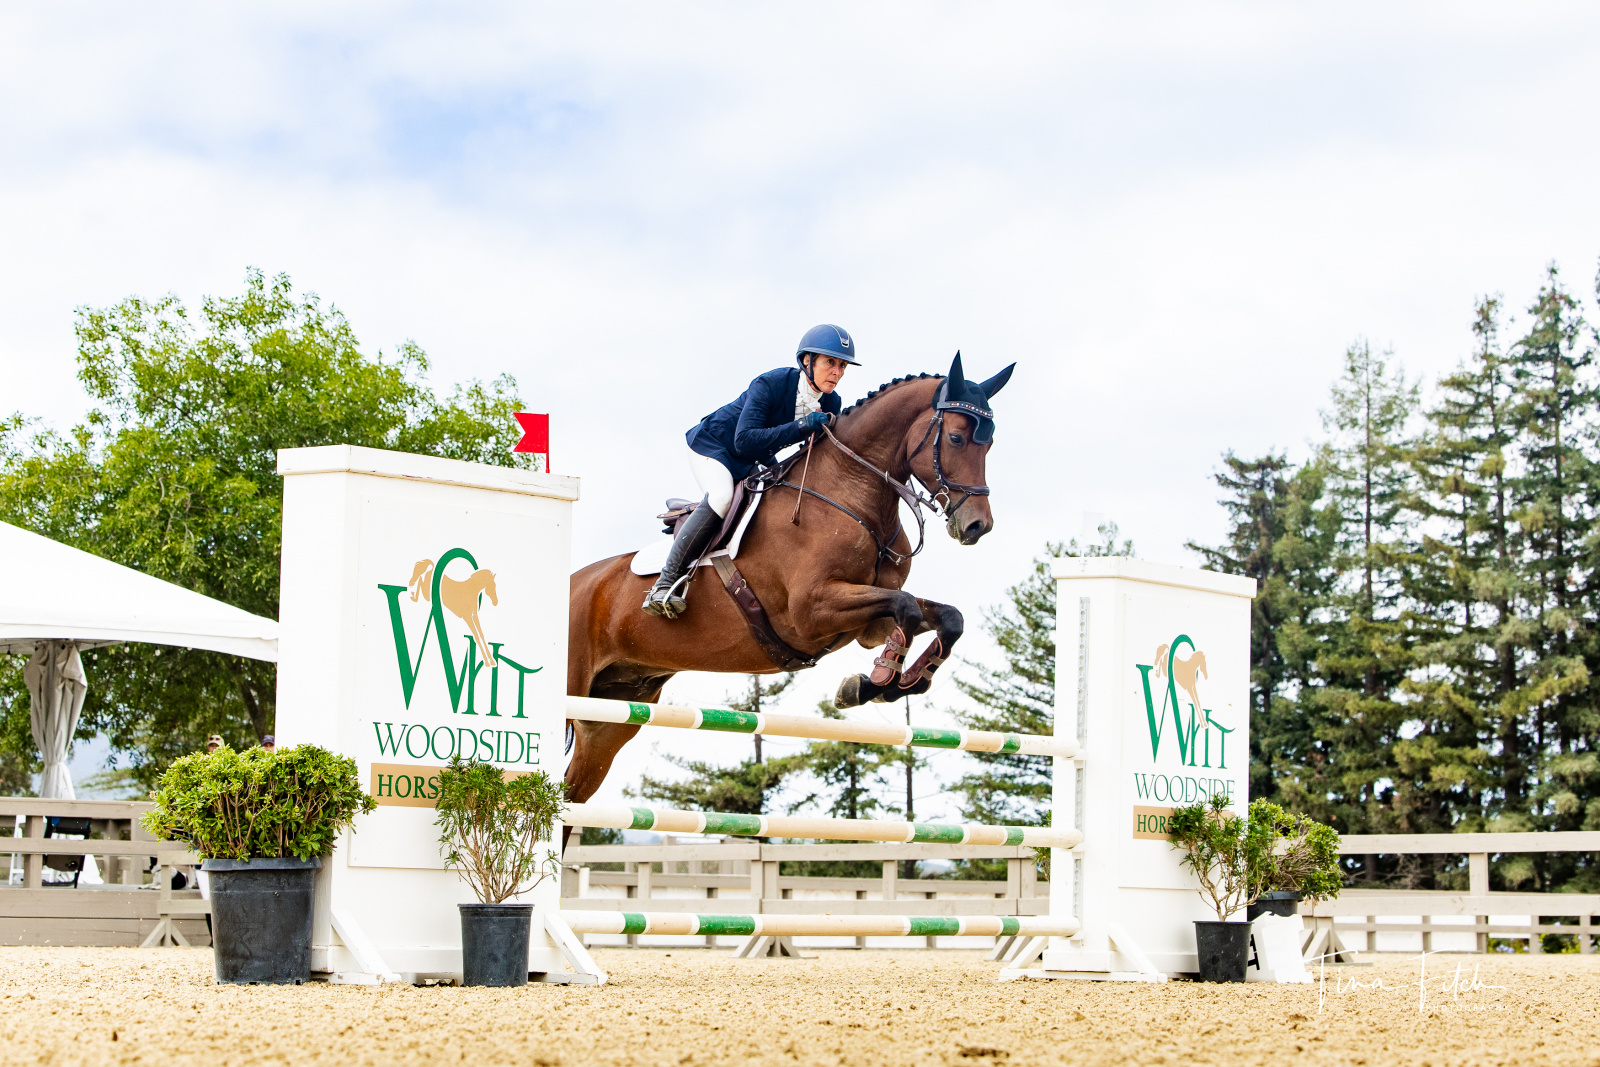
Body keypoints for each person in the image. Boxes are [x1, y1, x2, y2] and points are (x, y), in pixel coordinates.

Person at [642, 324, 858, 618]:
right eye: (830, 362)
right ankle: (664, 584)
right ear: (807, 361)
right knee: (721, 496)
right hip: (715, 445)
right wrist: (800, 427)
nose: (837, 372)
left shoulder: (832, 402)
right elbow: (743, 441)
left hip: (754, 457)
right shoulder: (771, 383)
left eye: (842, 365)